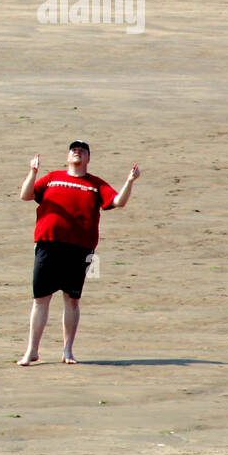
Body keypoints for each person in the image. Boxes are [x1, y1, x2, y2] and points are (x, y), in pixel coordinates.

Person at [17, 142, 140, 366]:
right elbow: (25, 195)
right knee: (40, 299)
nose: (77, 152)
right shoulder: (53, 177)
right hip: (48, 244)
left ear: (88, 158)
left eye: (82, 150)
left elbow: (117, 202)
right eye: (74, 149)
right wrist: (33, 172)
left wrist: (129, 182)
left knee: (72, 300)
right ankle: (32, 351)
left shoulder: (95, 184)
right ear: (67, 156)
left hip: (79, 248)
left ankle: (67, 351)